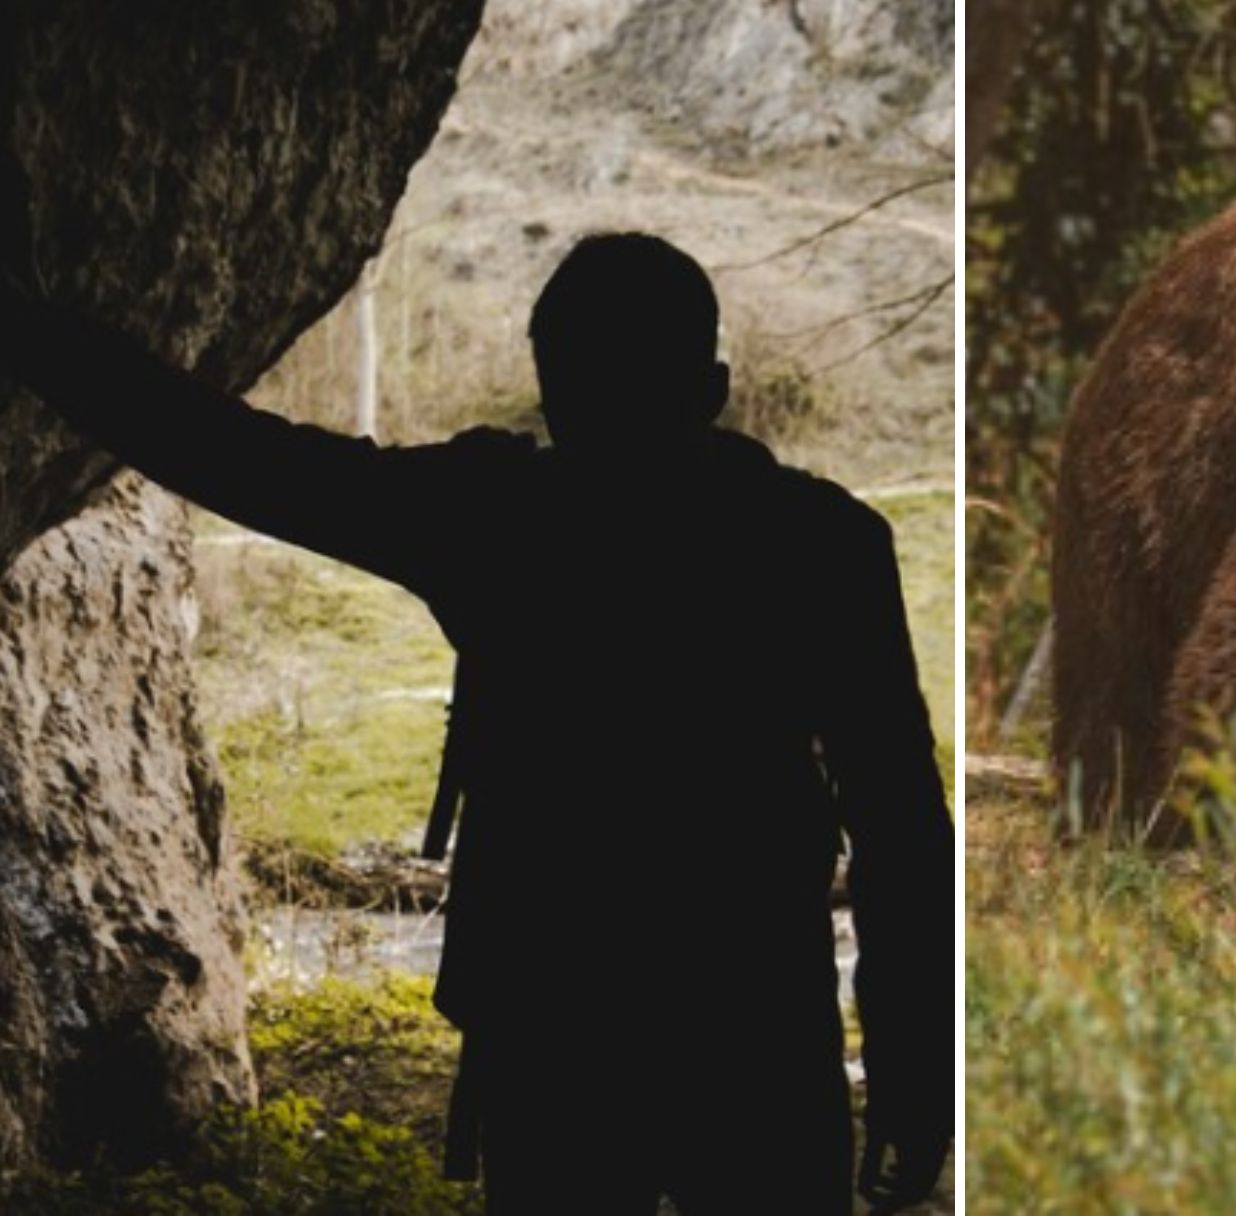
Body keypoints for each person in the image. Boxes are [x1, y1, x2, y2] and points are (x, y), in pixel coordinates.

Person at [0, 229, 954, 1213]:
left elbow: (236, 455)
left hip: (556, 1030)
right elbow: (900, 823)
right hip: (756, 1020)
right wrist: (918, 1067)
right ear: (713, 389)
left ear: (550, 394)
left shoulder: (495, 518)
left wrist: (29, 326)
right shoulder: (826, 545)